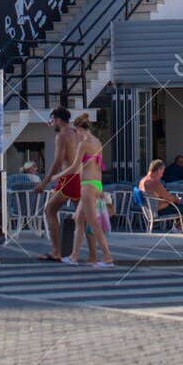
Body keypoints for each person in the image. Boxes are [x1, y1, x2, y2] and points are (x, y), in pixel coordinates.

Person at [35, 107, 83, 262]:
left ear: (58, 119)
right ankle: (94, 253)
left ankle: (56, 251)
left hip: (68, 178)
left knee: (49, 210)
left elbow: (57, 162)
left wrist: (44, 183)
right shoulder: (77, 133)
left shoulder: (61, 136)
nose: (51, 123)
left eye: (52, 120)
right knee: (83, 216)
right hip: (80, 176)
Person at [66, 114, 113, 268]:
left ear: (79, 129)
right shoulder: (98, 142)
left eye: (76, 131)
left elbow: (74, 167)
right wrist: (100, 188)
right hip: (95, 184)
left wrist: (56, 176)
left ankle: (107, 257)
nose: (76, 135)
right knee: (78, 219)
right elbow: (98, 167)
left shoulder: (84, 144)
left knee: (93, 223)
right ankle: (74, 256)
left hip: (87, 186)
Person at [138, 159, 183, 228]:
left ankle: (177, 228)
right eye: (162, 172)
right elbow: (169, 198)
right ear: (159, 170)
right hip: (158, 211)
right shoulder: (154, 182)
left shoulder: (142, 181)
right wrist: (177, 199)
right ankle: (177, 229)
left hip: (149, 210)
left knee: (182, 208)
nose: (162, 175)